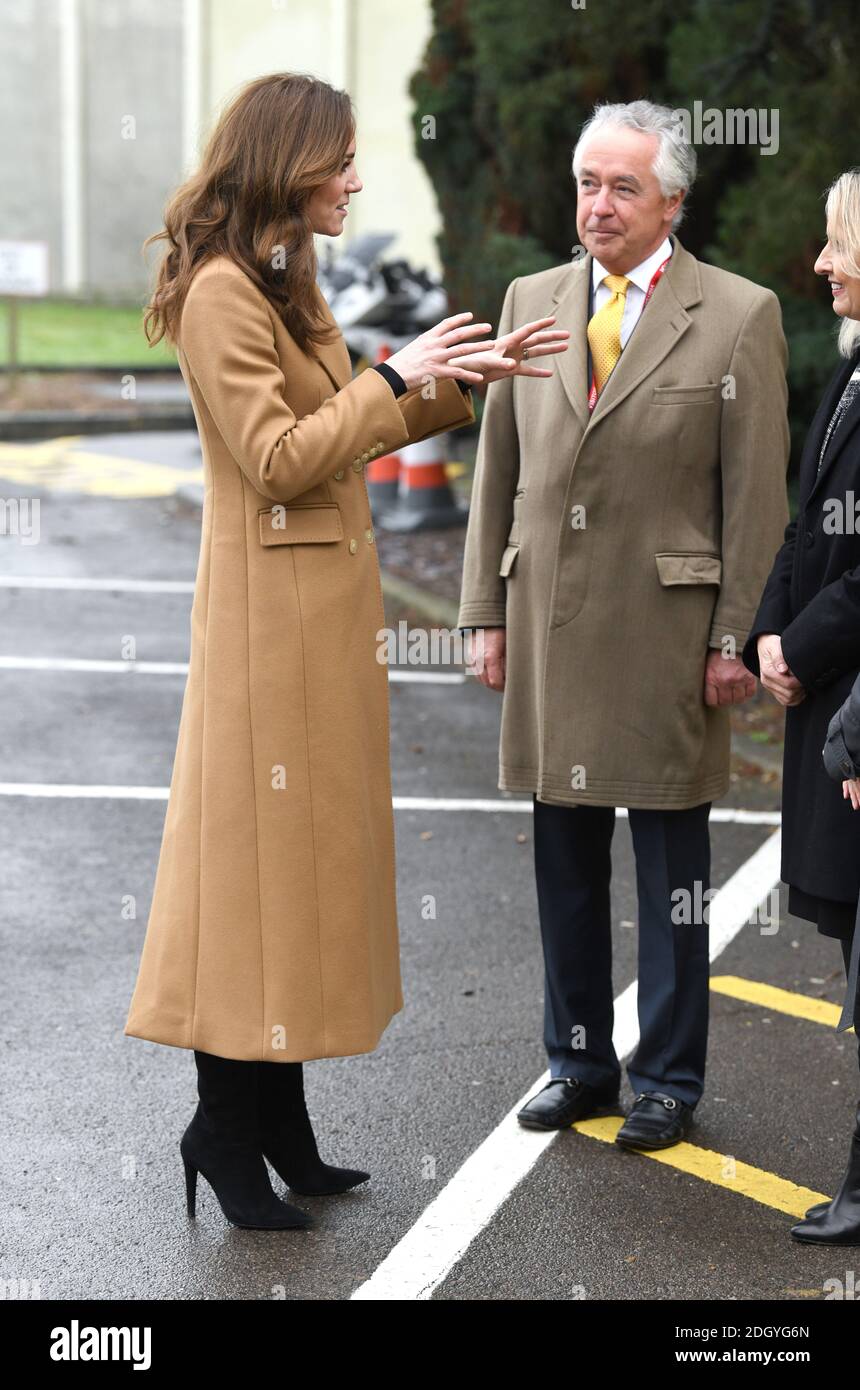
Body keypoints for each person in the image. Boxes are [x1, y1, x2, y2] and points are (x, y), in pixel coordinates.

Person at [124, 71, 568, 1231]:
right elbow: (278, 456)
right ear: (291, 161)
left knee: (303, 877)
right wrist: (390, 376)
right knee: (255, 882)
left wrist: (443, 383)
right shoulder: (222, 293)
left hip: (318, 626)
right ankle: (223, 1127)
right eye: (343, 162)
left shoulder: (284, 279)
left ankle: (279, 1121)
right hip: (267, 636)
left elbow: (344, 422)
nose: (357, 181)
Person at [457, 99, 790, 1150]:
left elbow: (755, 501)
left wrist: (734, 636)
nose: (597, 206)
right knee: (560, 860)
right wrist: (480, 614)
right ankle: (575, 1061)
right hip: (546, 628)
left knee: (671, 878)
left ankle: (666, 1079)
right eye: (586, 184)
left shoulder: (737, 315)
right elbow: (494, 475)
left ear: (672, 201)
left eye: (622, 187)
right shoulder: (532, 296)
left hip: (667, 637)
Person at [742, 168, 860, 1246]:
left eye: (837, 244)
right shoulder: (849, 369)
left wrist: (803, 641)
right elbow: (803, 524)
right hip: (822, 698)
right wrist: (765, 634)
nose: (821, 264)